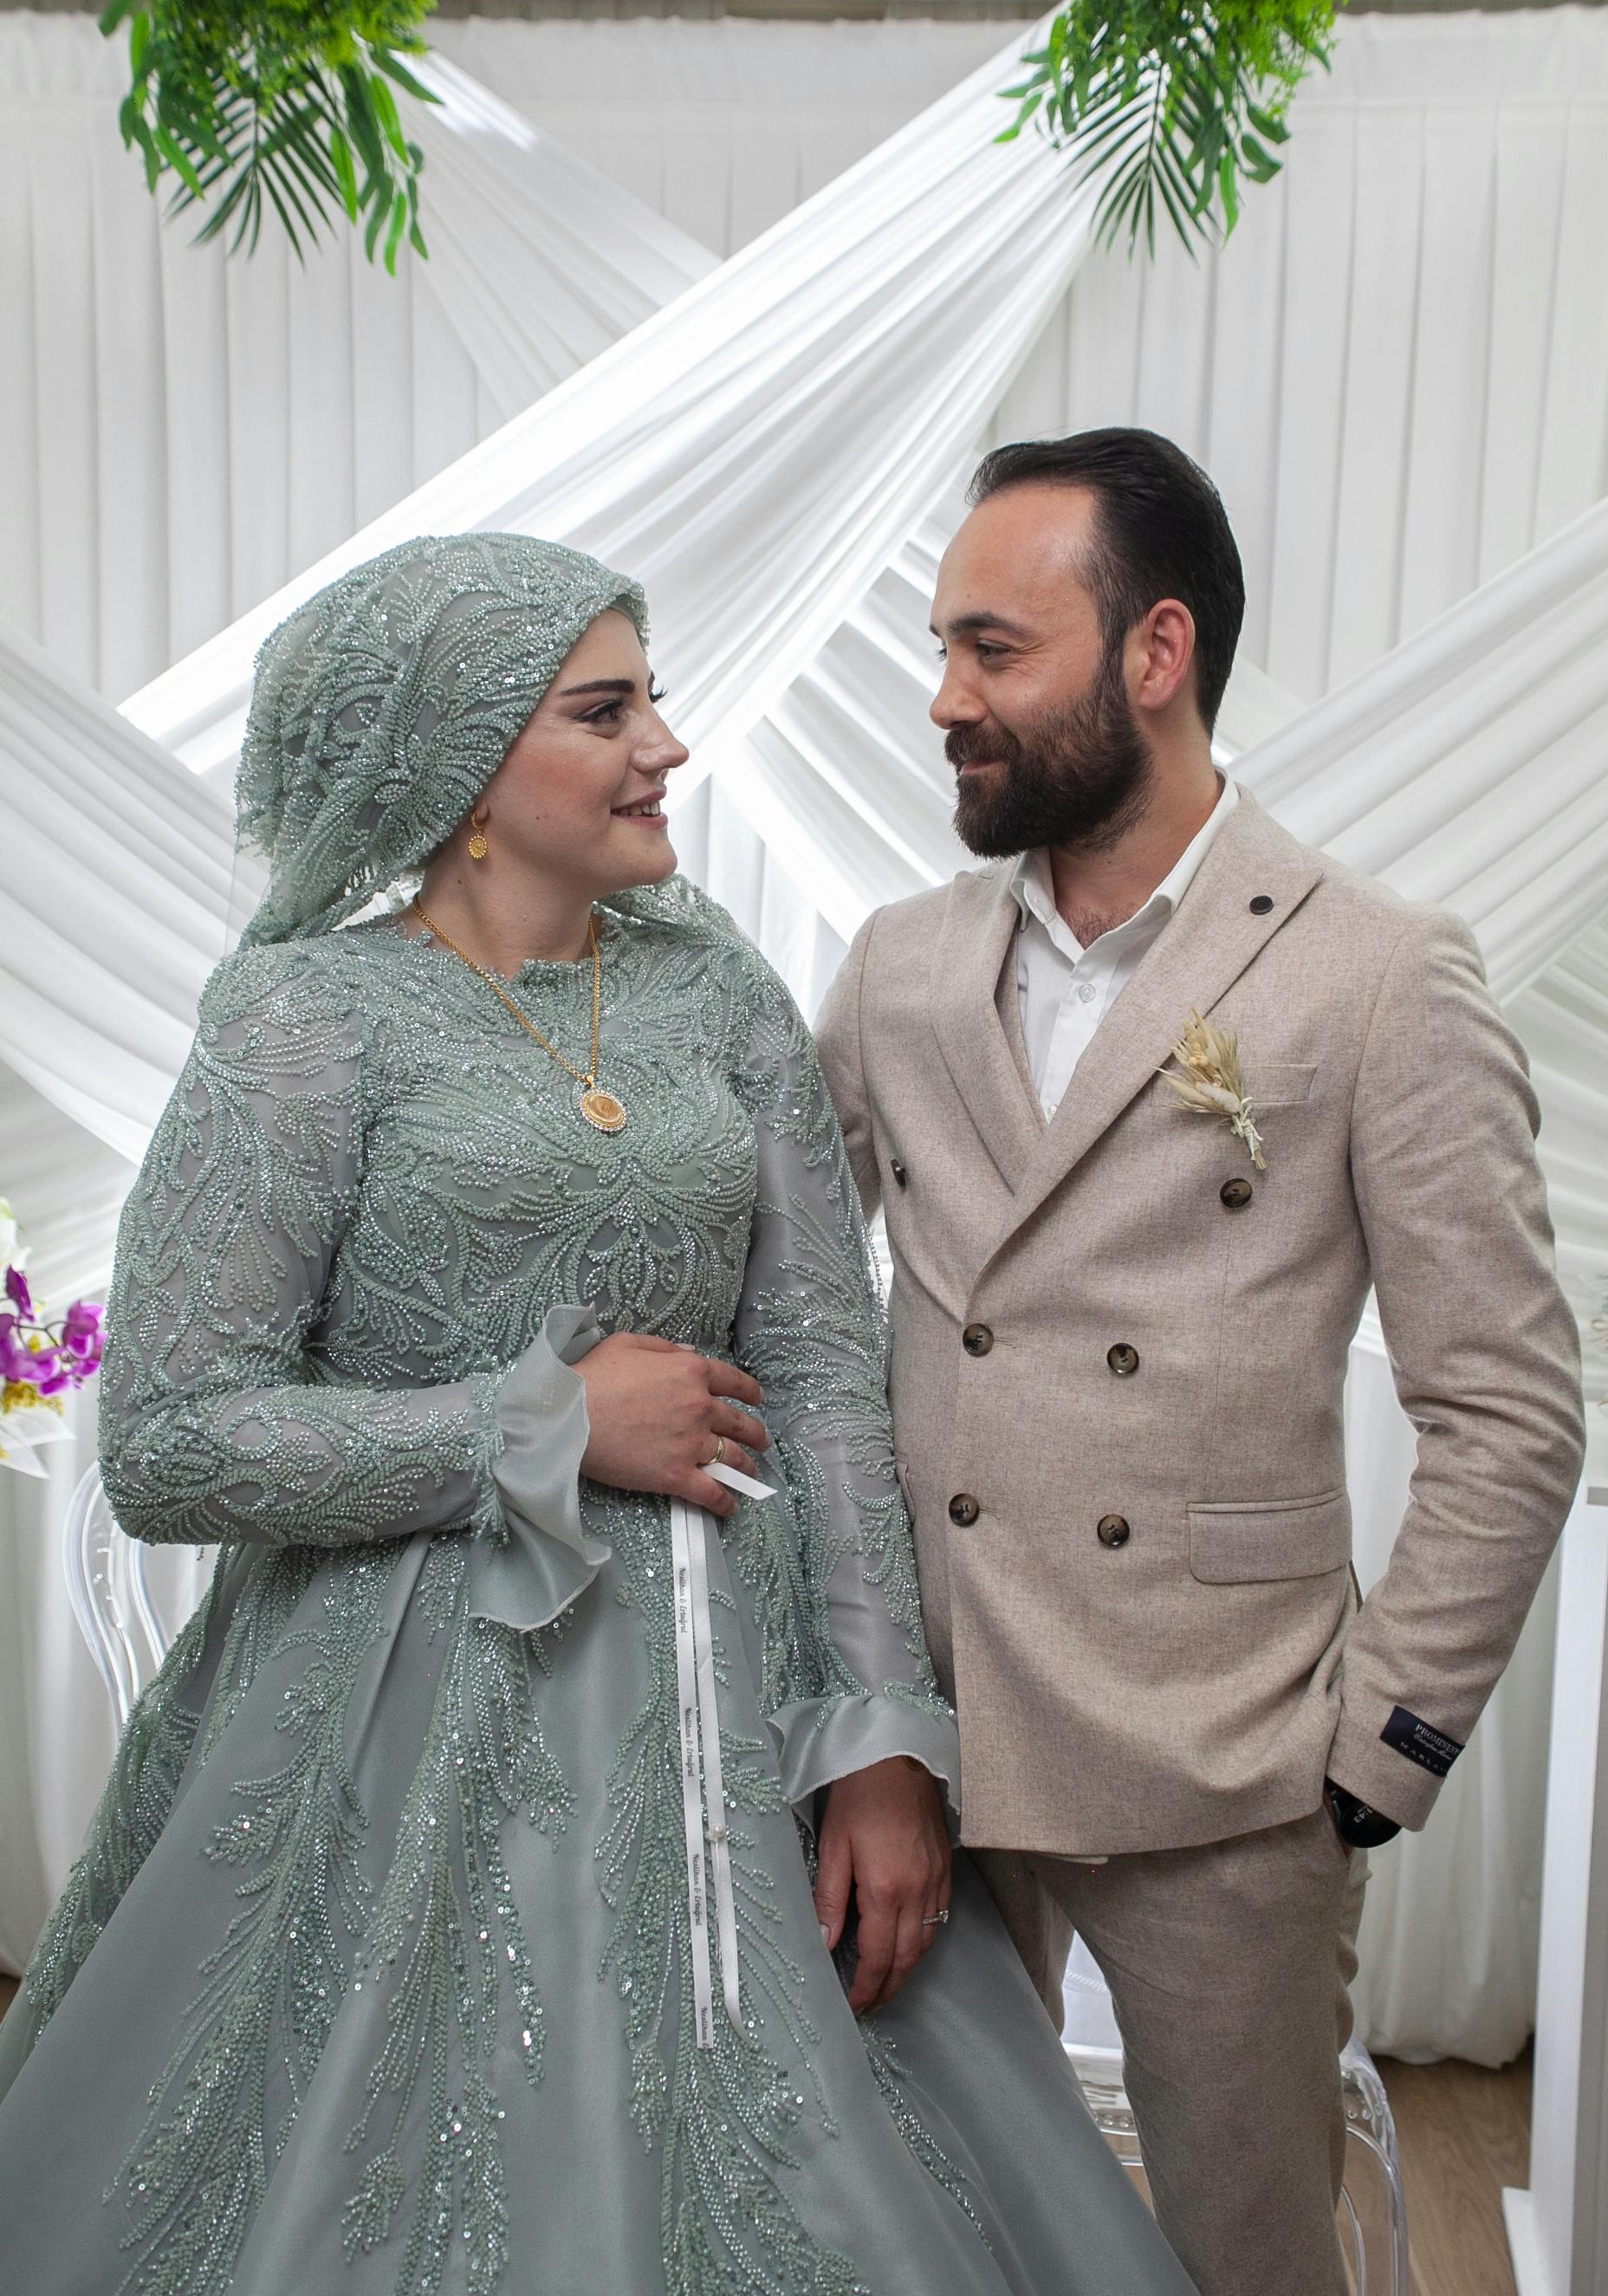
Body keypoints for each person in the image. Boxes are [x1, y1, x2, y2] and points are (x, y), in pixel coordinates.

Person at [0, 532, 1193, 2296]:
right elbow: (174, 1436)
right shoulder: (305, 1021)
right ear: (461, 765)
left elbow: (822, 1373)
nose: (667, 748)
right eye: (605, 709)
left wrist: (878, 1738)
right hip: (382, 1719)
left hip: (739, 1705)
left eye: (655, 699)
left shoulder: (718, 994)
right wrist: (534, 1424)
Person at [815, 429, 1585, 2296]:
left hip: (1231, 1773)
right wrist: (850, 1719)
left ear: (1153, 655)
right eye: (942, 649)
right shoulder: (897, 968)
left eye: (992, 650)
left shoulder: (1379, 973)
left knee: (1250, 2259)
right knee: (916, 2239)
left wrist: (1368, 1756)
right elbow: (802, 1332)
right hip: (932, 1747)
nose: (943, 701)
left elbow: (1507, 1405)